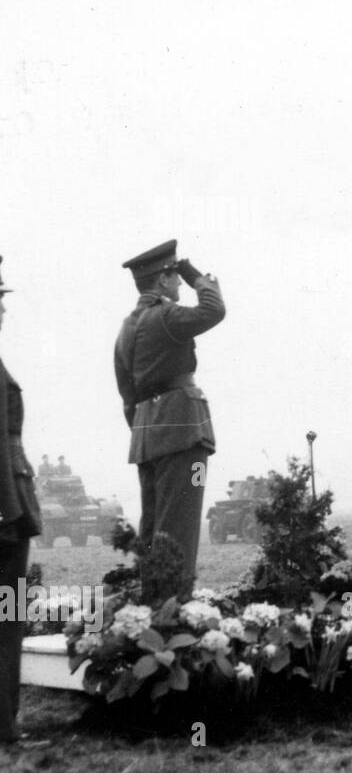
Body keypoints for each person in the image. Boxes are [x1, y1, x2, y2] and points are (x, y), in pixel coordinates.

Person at [114, 240, 225, 603]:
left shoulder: (127, 329)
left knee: (153, 529)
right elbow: (214, 309)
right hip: (184, 434)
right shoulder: (167, 317)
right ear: (161, 281)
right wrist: (197, 275)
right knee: (182, 526)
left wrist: (150, 428)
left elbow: (127, 395)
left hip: (148, 437)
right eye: (175, 277)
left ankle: (154, 609)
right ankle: (174, 613)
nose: (179, 284)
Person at [0, 257, 43, 746]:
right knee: (7, 618)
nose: (3, 311)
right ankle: (5, 726)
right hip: (5, 512)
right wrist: (8, 511)